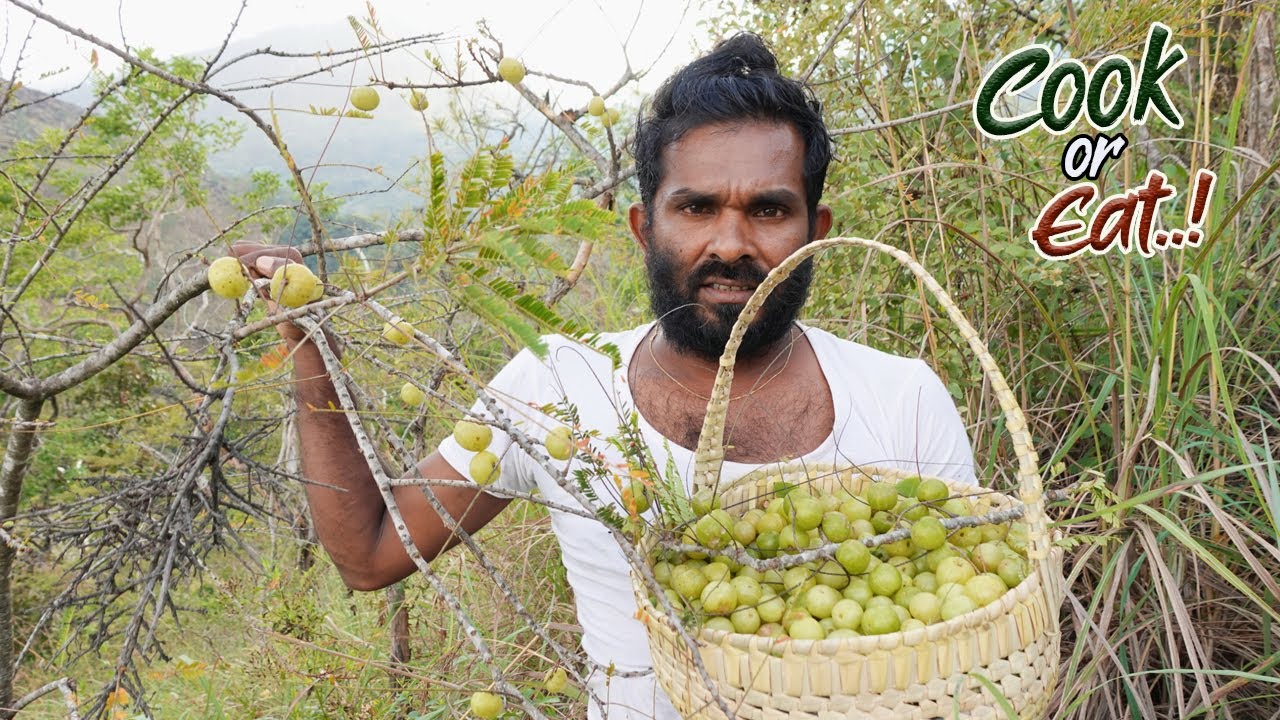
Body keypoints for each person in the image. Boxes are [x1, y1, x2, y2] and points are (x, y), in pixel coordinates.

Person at [232, 33, 976, 720]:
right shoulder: (557, 387)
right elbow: (368, 552)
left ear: (816, 232)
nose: (731, 242)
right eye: (696, 206)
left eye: (769, 209)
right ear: (643, 227)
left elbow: (966, 645)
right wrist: (309, 338)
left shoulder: (904, 398)